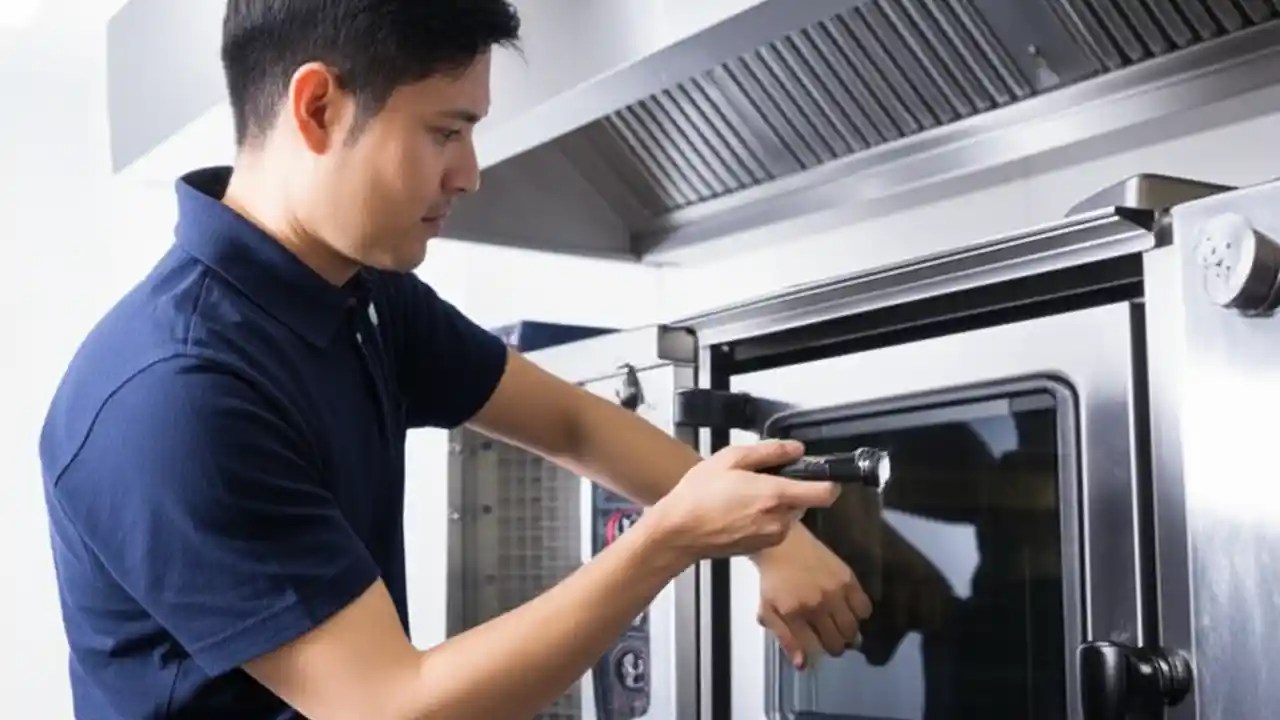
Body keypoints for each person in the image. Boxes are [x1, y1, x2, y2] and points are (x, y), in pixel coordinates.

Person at [38, 1, 871, 718]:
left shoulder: (355, 291)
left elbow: (573, 422)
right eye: (447, 131)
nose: (469, 174)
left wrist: (771, 535)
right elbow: (393, 707)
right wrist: (671, 539)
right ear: (318, 106)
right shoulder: (177, 398)